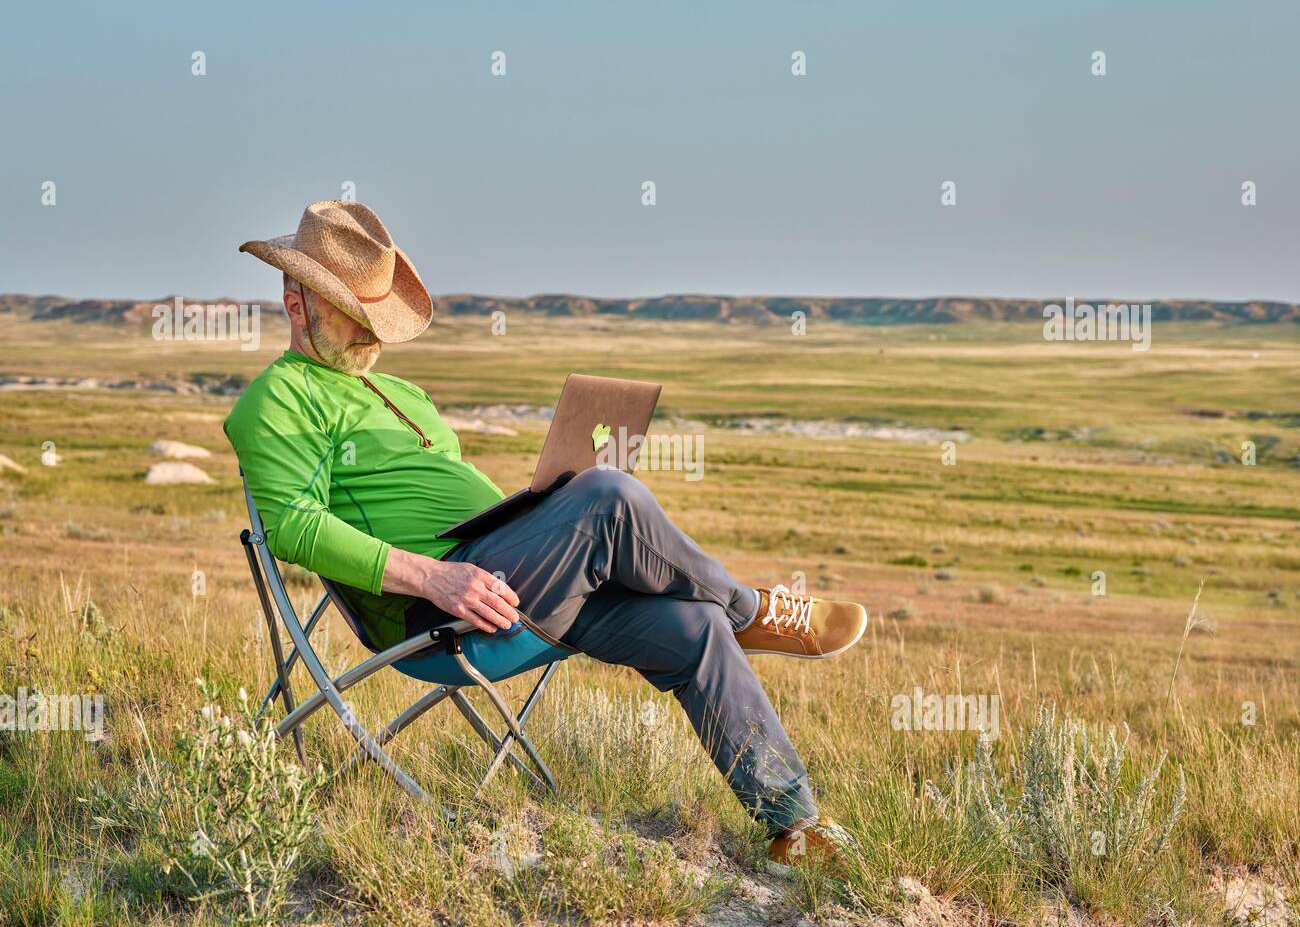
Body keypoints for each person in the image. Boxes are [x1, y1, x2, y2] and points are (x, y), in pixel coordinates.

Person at [225, 200, 867, 872]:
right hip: (442, 609)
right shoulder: (277, 398)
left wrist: (535, 512)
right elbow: (295, 527)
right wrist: (435, 575)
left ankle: (794, 829)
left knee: (693, 625)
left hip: (514, 579)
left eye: (376, 319)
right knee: (608, 494)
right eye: (352, 315)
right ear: (295, 303)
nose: (369, 335)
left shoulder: (406, 396)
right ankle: (755, 611)